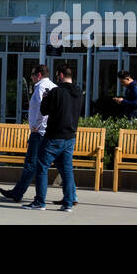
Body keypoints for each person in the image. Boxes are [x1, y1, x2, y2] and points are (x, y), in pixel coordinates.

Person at [28, 65, 83, 212]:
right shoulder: (78, 92)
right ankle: (68, 203)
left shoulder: (56, 92)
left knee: (42, 167)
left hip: (54, 136)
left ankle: (40, 202)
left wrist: (46, 98)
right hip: (70, 137)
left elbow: (44, 110)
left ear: (60, 75)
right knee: (67, 170)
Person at [0, 64, 55, 205]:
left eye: (32, 74)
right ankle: (71, 197)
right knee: (60, 165)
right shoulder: (54, 87)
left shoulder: (41, 89)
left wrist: (35, 126)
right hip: (48, 132)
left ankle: (18, 193)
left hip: (39, 132)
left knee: (31, 164)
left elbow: (43, 110)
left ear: (39, 75)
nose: (30, 77)